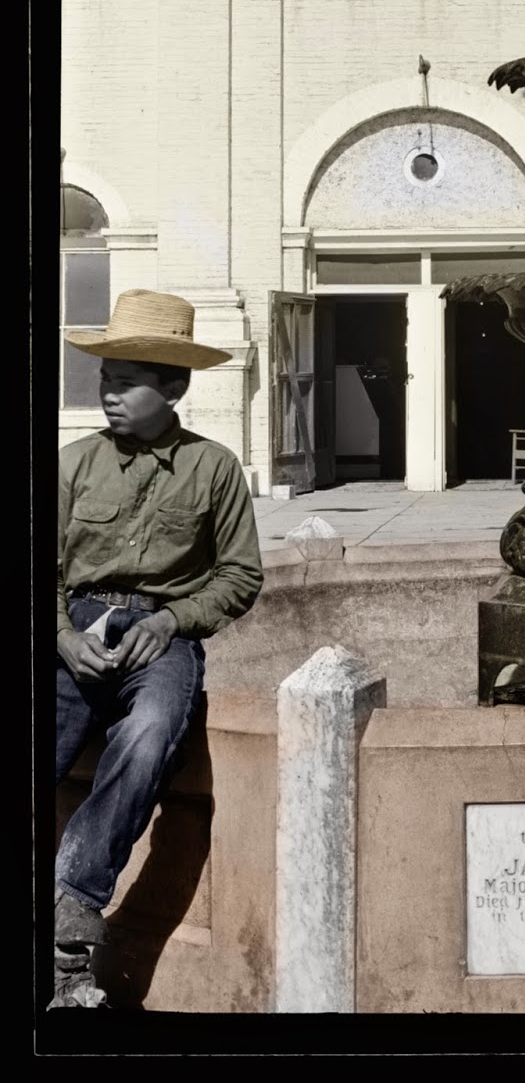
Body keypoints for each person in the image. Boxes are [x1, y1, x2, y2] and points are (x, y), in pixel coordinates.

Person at [52, 290, 263, 1009]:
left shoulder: (215, 468)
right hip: (73, 625)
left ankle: (71, 925)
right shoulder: (72, 464)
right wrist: (61, 637)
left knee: (147, 738)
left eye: (126, 381)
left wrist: (174, 623)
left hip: (162, 634)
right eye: (104, 379)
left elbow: (240, 574)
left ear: (173, 387)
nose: (107, 393)